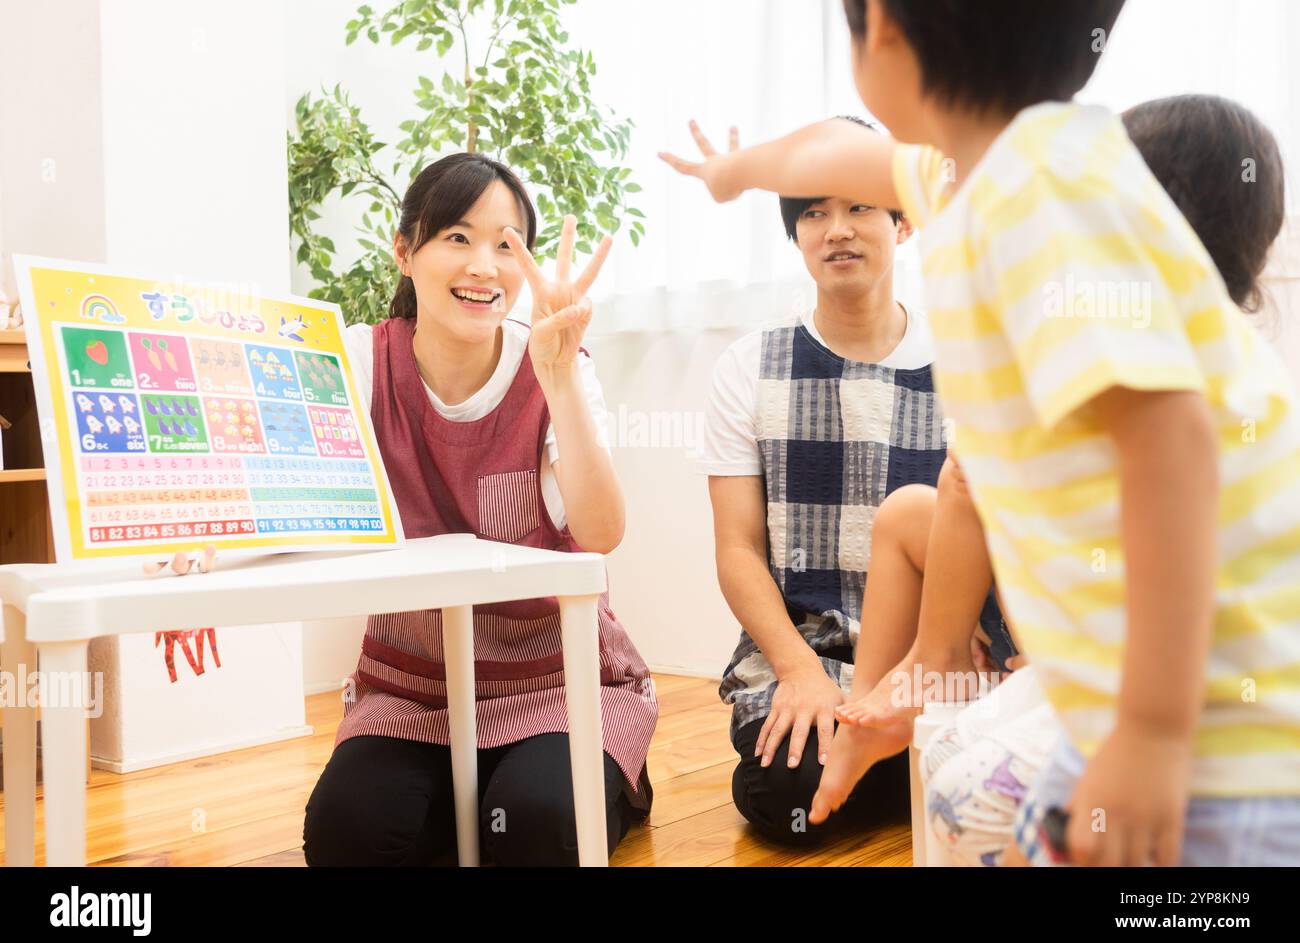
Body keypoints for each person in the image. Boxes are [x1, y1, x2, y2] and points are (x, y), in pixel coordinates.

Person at [662, 0, 1300, 865]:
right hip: (1133, 685)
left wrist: (1151, 733)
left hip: (1216, 709)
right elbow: (836, 153)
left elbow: (1175, 438)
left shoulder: (1046, 203)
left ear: (879, 28)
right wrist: (740, 170)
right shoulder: (979, 177)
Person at [299, 153, 658, 866]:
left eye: (506, 244)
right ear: (405, 251)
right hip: (412, 693)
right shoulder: (354, 363)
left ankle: (595, 779)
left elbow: (601, 532)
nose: (484, 267)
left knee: (530, 825)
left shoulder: (558, 363)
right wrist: (200, 563)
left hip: (558, 682)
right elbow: (289, 499)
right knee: (350, 834)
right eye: (458, 238)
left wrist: (556, 376)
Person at [697, 118, 943, 844]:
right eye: (813, 212)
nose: (837, 229)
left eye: (860, 206)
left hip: (925, 656)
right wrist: (797, 669)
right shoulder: (751, 365)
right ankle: (895, 771)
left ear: (902, 224)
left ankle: (896, 761)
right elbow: (738, 549)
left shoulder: (965, 366)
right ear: (797, 236)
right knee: (784, 793)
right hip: (809, 648)